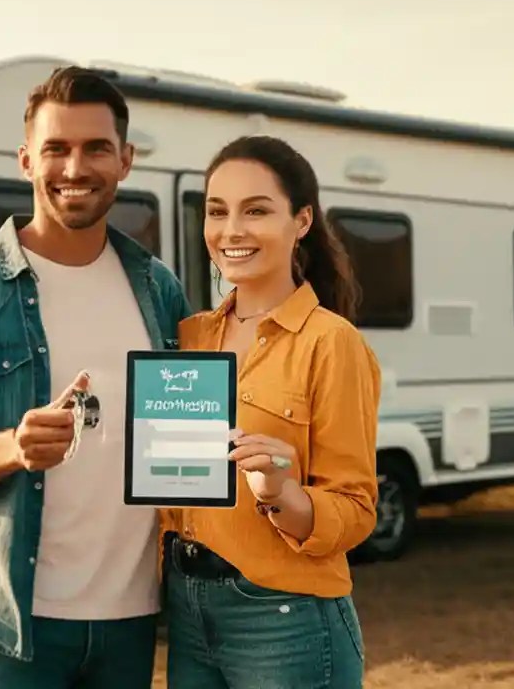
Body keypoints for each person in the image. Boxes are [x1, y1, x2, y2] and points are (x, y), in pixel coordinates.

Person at [0, 66, 192, 688]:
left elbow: (181, 431)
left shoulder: (158, 288)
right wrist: (11, 448)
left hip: (132, 617)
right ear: (27, 160)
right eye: (57, 148)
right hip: (11, 624)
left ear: (126, 160)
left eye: (96, 149)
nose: (75, 168)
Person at [160, 135, 381, 689]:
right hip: (186, 607)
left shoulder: (331, 343)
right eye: (217, 212)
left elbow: (356, 510)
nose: (231, 230)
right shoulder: (190, 337)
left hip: (284, 617)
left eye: (256, 211)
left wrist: (282, 494)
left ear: (301, 221)